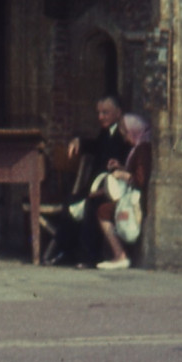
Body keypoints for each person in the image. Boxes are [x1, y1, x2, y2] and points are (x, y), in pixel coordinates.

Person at [43, 96, 126, 266]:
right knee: (70, 202)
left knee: (92, 205)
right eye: (99, 113)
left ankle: (89, 257)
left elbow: (123, 167)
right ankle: (66, 252)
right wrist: (79, 141)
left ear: (118, 113)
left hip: (113, 189)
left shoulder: (124, 135)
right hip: (96, 186)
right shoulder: (105, 132)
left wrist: (102, 188)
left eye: (105, 113)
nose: (100, 117)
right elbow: (95, 146)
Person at [84, 113, 152, 271]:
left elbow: (140, 179)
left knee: (103, 211)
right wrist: (121, 167)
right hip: (132, 196)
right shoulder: (138, 148)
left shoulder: (143, 149)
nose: (126, 138)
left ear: (134, 131)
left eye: (126, 133)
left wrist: (121, 174)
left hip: (137, 200)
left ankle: (120, 254)